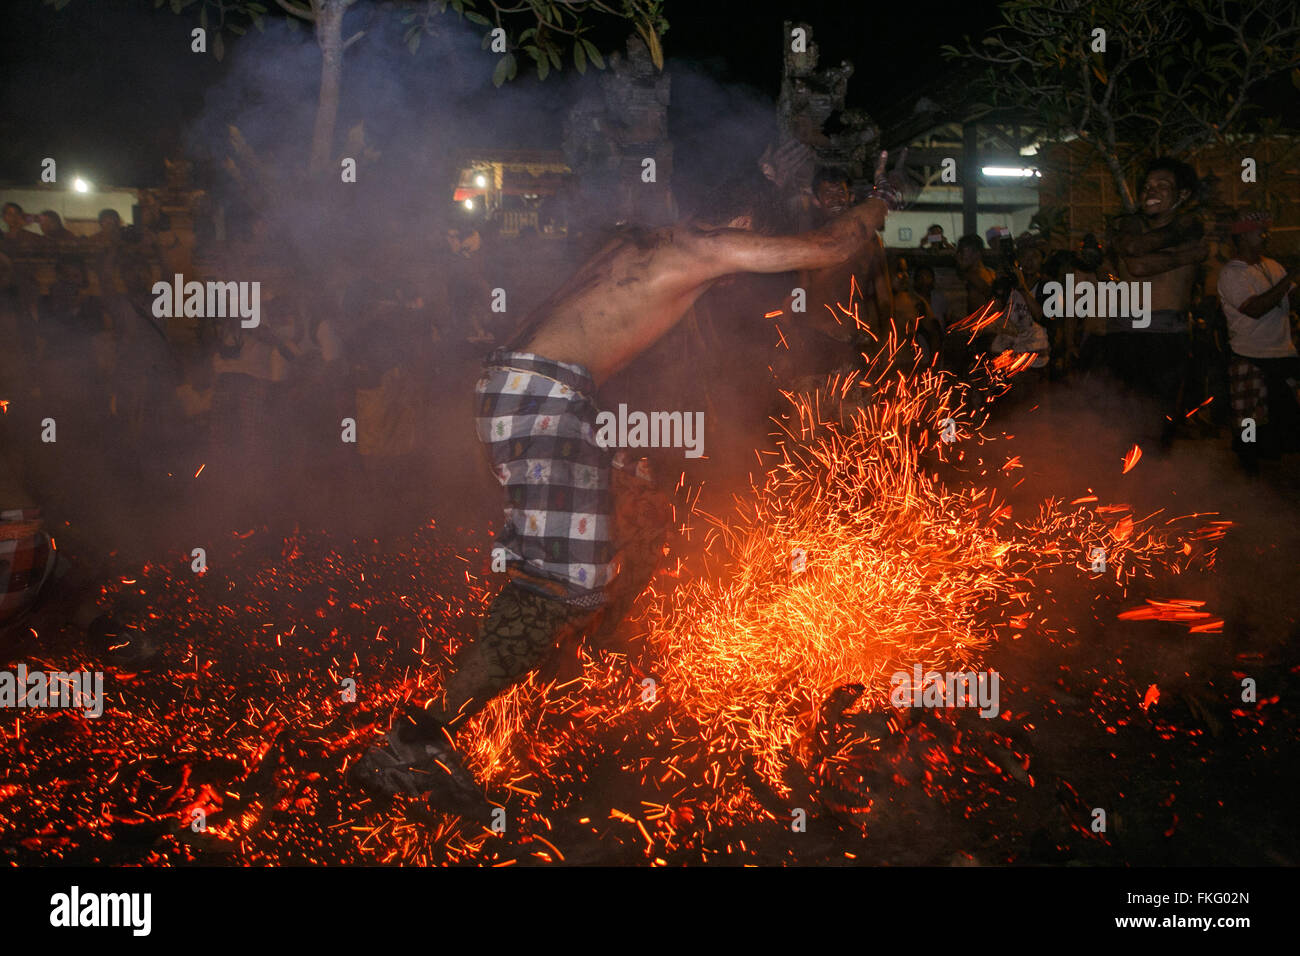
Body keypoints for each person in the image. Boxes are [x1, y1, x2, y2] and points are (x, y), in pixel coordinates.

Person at [353, 151, 915, 808]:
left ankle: (525, 681)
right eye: (749, 232)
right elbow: (831, 245)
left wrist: (770, 178)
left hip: (534, 393)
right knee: (569, 582)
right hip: (542, 400)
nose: (745, 263)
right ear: (735, 222)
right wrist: (885, 197)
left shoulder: (641, 239)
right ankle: (417, 739)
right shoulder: (701, 245)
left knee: (613, 542)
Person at [1106, 157, 1208, 447]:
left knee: (1157, 422)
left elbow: (1138, 259)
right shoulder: (1130, 225)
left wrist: (1153, 257)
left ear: (1183, 195)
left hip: (1165, 337)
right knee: (1117, 421)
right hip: (1122, 335)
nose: (1151, 191)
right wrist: (1187, 256)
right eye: (1148, 186)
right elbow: (1135, 258)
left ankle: (1155, 485)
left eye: (1163, 186)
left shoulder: (1190, 225)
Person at [1216, 210, 1300, 473]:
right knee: (1249, 427)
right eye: (1259, 230)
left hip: (1282, 354)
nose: (1266, 235)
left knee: (1284, 421)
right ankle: (1248, 483)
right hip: (1250, 356)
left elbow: (1293, 301)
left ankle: (1272, 479)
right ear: (1241, 237)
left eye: (1265, 229)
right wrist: (1289, 278)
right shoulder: (1232, 274)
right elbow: (1255, 309)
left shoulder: (1273, 265)